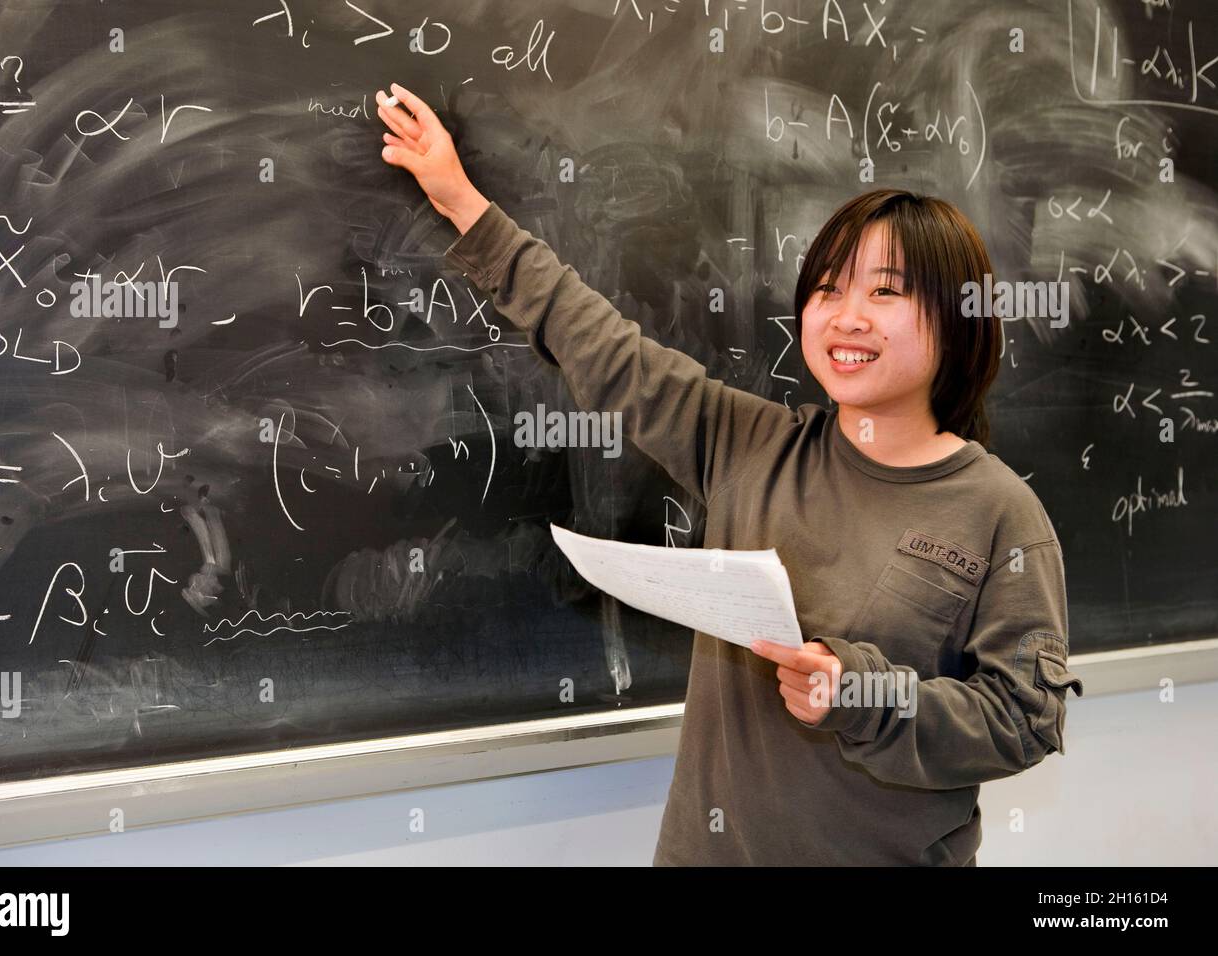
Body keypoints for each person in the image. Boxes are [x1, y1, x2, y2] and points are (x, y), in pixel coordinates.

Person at [374, 82, 1086, 866]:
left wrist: (867, 696)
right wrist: (463, 203)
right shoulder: (748, 444)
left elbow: (1024, 718)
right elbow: (602, 347)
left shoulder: (997, 512)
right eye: (828, 288)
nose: (846, 317)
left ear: (956, 323)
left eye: (885, 293)